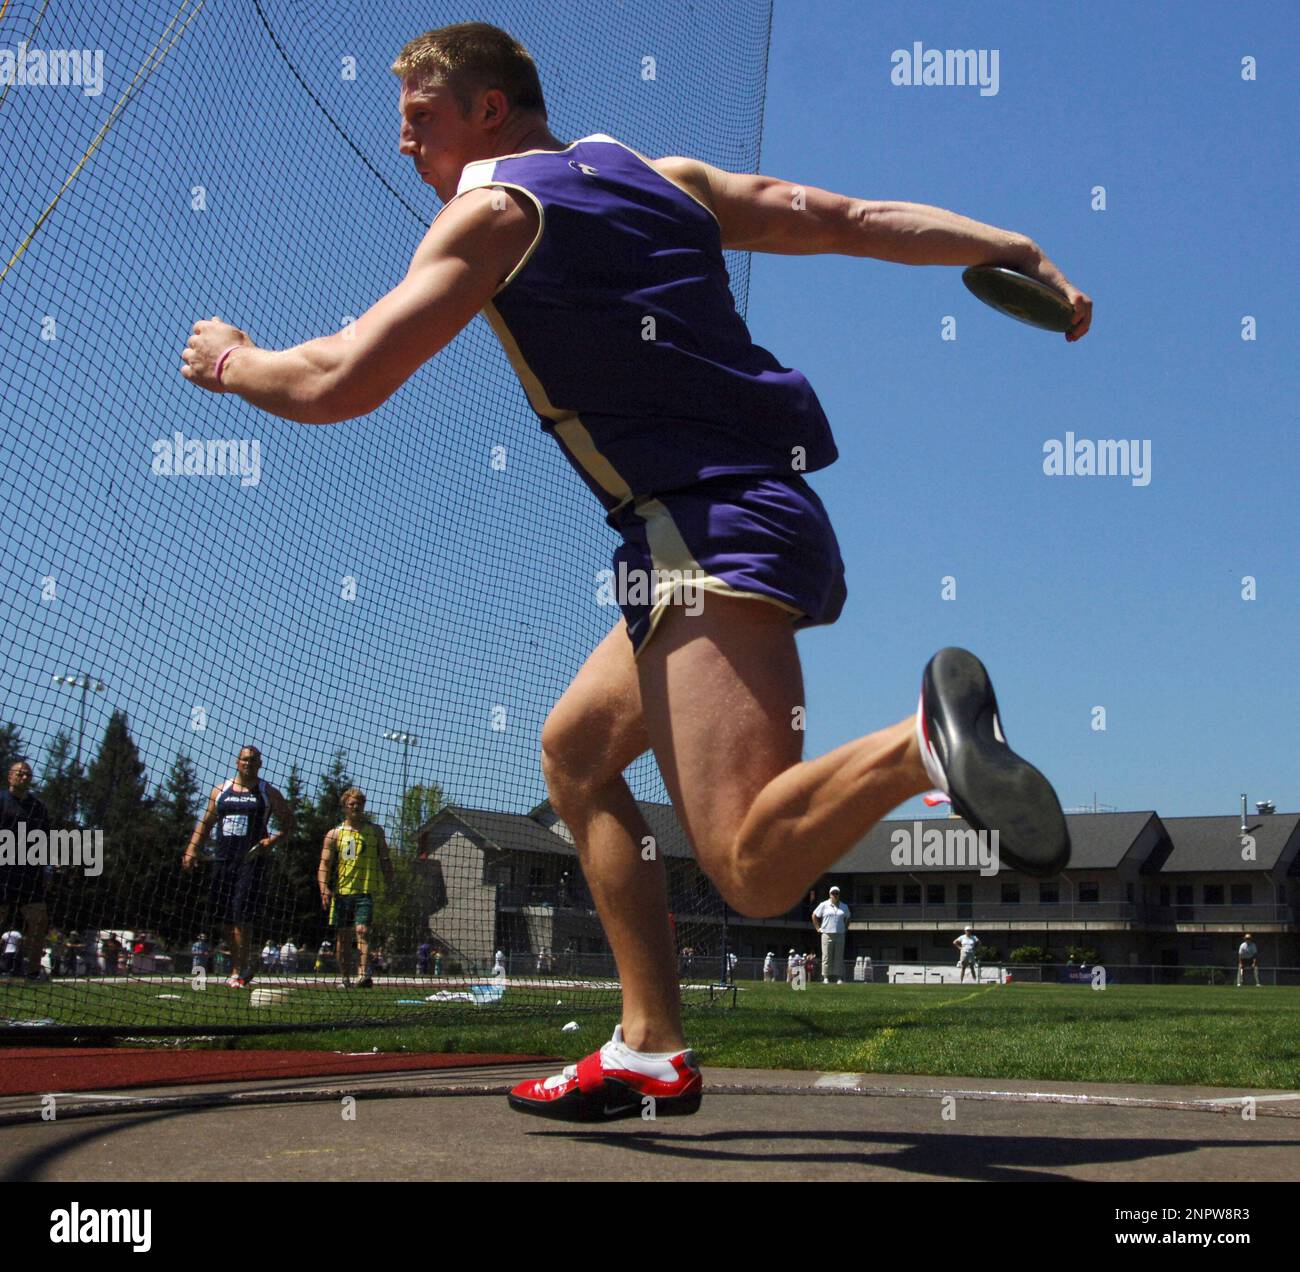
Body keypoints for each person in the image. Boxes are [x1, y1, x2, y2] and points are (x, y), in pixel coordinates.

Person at [180, 22, 1085, 1121]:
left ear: (489, 113)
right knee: (574, 754)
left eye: (420, 120)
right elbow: (840, 218)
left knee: (750, 870)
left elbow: (340, 380)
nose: (403, 142)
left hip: (699, 535)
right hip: (732, 521)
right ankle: (650, 1043)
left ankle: (916, 748)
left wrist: (231, 361)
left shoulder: (496, 212)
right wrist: (999, 241)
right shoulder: (669, 179)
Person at [182, 745, 294, 989]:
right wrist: (192, 849)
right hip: (222, 860)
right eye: (244, 760)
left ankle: (239, 970)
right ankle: (240, 961)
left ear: (260, 764)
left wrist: (271, 841)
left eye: (253, 760)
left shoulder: (267, 792)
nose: (248, 764)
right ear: (236, 762)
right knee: (223, 918)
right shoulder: (220, 791)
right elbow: (206, 822)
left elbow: (289, 823)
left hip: (250, 861)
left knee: (242, 914)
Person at [318, 787, 395, 989]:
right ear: (345, 807)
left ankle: (363, 974)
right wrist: (324, 887)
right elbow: (324, 864)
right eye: (352, 803)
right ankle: (344, 977)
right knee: (343, 937)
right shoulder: (336, 834)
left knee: (362, 930)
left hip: (365, 892)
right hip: (342, 893)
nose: (356, 807)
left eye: (359, 803)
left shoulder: (375, 831)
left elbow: (385, 860)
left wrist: (391, 883)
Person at [0, 760, 52, 982]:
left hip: (29, 874)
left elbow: (45, 840)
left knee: (39, 921)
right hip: (2, 871)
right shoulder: (1, 801)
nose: (24, 778)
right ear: (9, 777)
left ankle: (32, 972)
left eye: (28, 775)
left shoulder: (38, 807)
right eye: (20, 774)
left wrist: (47, 867)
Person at [812, 884, 850, 984]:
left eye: (837, 893)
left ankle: (838, 977)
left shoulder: (844, 906)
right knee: (826, 956)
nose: (835, 895)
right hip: (826, 934)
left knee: (838, 956)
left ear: (839, 895)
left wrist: (845, 928)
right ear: (830, 894)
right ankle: (826, 977)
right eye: (833, 893)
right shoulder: (823, 905)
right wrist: (818, 928)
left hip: (840, 934)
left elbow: (848, 917)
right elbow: (814, 915)